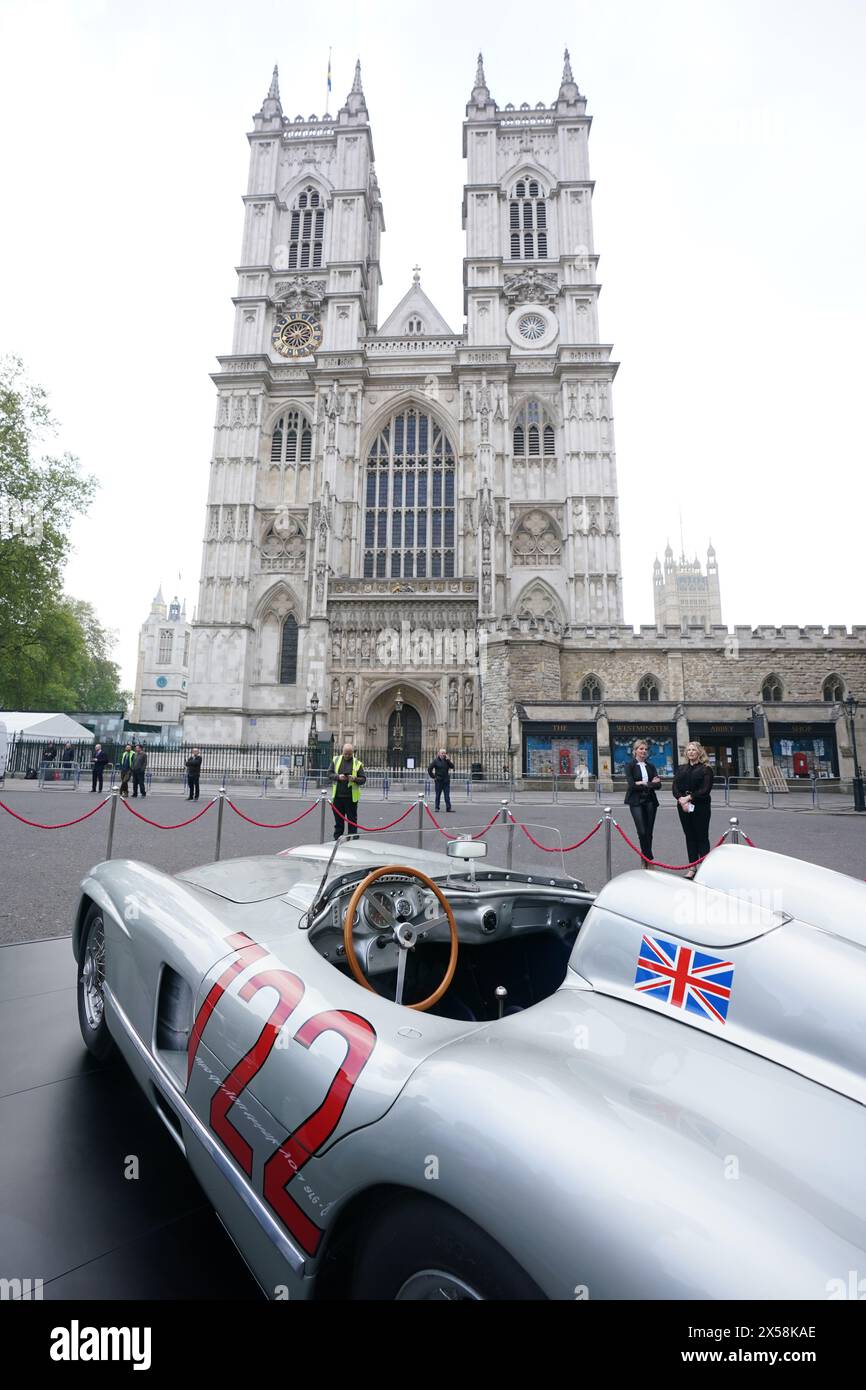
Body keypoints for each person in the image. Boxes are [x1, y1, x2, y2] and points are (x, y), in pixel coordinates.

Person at [672, 741, 714, 879]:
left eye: (693, 750)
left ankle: (705, 868)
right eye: (688, 750)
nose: (690, 752)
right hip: (683, 806)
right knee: (689, 837)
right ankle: (692, 867)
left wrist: (688, 798)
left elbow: (705, 790)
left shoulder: (706, 769)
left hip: (700, 806)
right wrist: (680, 799)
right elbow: (675, 787)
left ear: (699, 752)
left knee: (701, 837)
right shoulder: (681, 768)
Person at [624, 739, 661, 867]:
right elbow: (632, 786)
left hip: (650, 801)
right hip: (636, 801)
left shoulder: (651, 766)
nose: (644, 751)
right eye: (641, 749)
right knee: (642, 831)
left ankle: (646, 859)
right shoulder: (629, 766)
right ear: (635, 751)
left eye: (645, 749)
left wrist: (643, 783)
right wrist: (650, 784)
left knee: (649, 832)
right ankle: (648, 858)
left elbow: (658, 785)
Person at [331, 742, 366, 840]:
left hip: (351, 798)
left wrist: (354, 779)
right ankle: (337, 840)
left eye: (349, 754)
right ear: (342, 751)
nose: (347, 756)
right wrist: (338, 777)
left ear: (353, 753)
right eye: (345, 753)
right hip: (337, 797)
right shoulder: (336, 760)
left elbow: (363, 779)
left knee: (352, 822)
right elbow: (329, 774)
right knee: (338, 822)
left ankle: (353, 841)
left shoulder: (357, 763)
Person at [427, 747, 455, 812]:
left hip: (446, 781)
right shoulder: (435, 761)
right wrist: (433, 777)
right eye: (442, 753)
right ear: (439, 754)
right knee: (438, 795)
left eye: (444, 753)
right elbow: (429, 769)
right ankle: (437, 808)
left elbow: (452, 766)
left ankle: (448, 808)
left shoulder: (447, 760)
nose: (443, 754)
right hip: (438, 780)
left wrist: (448, 760)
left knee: (447, 796)